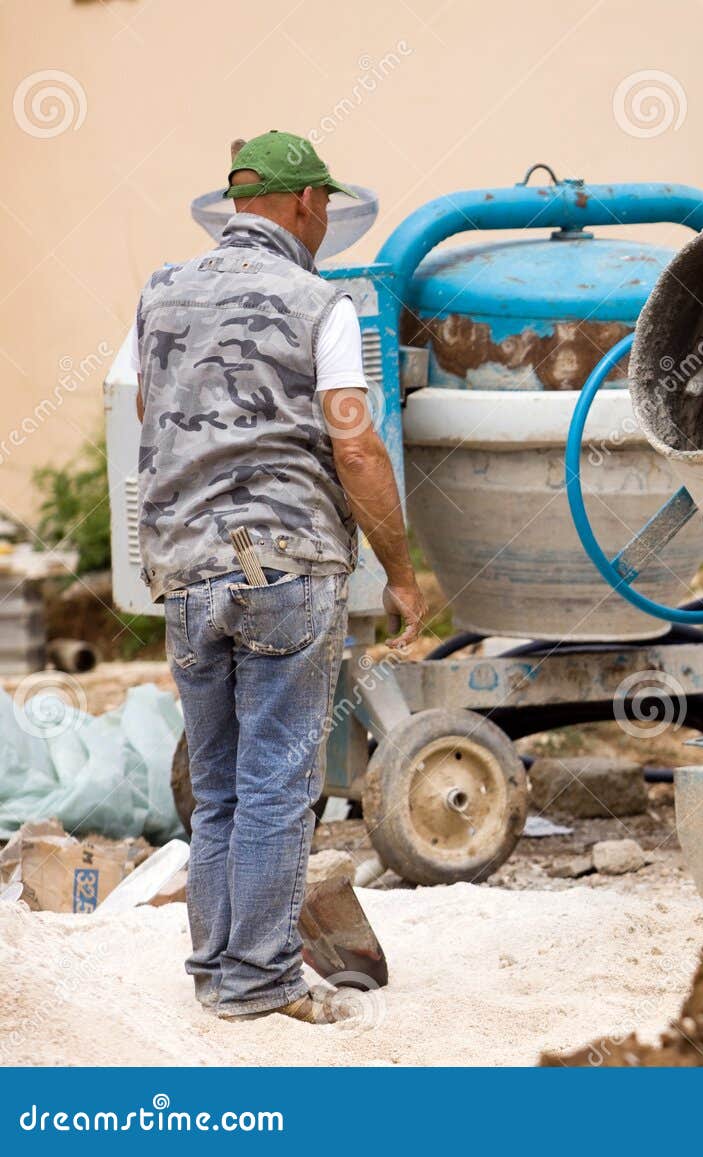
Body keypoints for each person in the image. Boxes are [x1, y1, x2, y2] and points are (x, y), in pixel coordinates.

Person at [134, 130, 427, 1023]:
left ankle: (217, 968)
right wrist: (402, 570)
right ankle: (260, 981)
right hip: (285, 568)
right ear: (303, 204)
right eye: (326, 203)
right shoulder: (321, 303)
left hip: (185, 570)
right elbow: (356, 442)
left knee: (218, 780)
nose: (329, 217)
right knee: (276, 781)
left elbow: (158, 419)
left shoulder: (158, 296)